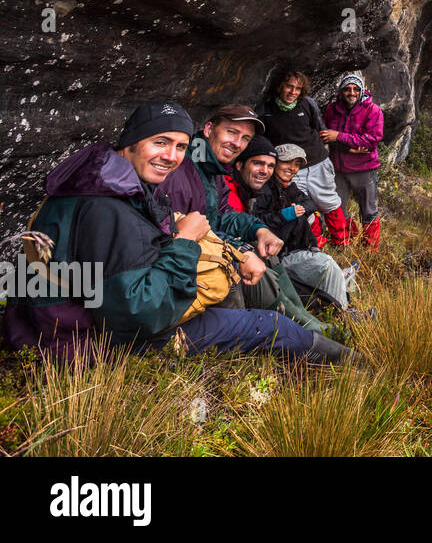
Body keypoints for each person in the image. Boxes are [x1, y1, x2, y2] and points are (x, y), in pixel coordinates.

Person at [1, 103, 352, 363]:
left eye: (180, 147)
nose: (170, 156)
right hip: (81, 343)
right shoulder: (105, 208)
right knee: (263, 325)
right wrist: (185, 242)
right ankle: (358, 369)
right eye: (160, 142)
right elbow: (140, 315)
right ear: (131, 143)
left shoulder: (107, 185)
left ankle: (327, 343)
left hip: (56, 324)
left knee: (259, 302)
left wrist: (237, 239)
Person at [160, 104, 326, 333]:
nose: (237, 143)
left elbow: (221, 214)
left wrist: (259, 230)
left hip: (204, 254)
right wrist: (238, 249)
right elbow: (178, 233)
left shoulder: (210, 167)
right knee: (259, 272)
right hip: (188, 266)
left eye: (245, 138)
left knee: (268, 255)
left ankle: (309, 322)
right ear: (209, 129)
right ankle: (307, 332)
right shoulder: (181, 170)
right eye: (231, 132)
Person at [232, 140, 351, 313]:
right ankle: (343, 315)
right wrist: (284, 215)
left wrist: (298, 210)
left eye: (296, 164)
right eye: (287, 162)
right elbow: (256, 221)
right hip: (278, 256)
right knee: (326, 265)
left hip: (289, 251)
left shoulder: (289, 188)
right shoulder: (263, 188)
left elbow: (310, 203)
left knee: (326, 267)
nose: (292, 168)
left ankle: (341, 309)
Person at [257, 69, 351, 247]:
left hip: (317, 162)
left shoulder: (307, 104)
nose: (293, 92)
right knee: (297, 205)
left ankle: (342, 242)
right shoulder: (266, 109)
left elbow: (319, 127)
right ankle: (316, 242)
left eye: (298, 88)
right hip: (289, 168)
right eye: (289, 87)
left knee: (328, 200)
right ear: (279, 87)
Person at [322, 72, 385, 248]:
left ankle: (370, 249)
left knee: (369, 211)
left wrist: (339, 137)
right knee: (337, 208)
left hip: (365, 169)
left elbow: (371, 141)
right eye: (347, 89)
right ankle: (348, 240)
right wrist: (347, 146)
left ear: (362, 91)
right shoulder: (331, 110)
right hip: (339, 169)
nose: (352, 92)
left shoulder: (373, 111)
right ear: (341, 91)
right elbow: (325, 135)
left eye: (356, 89)